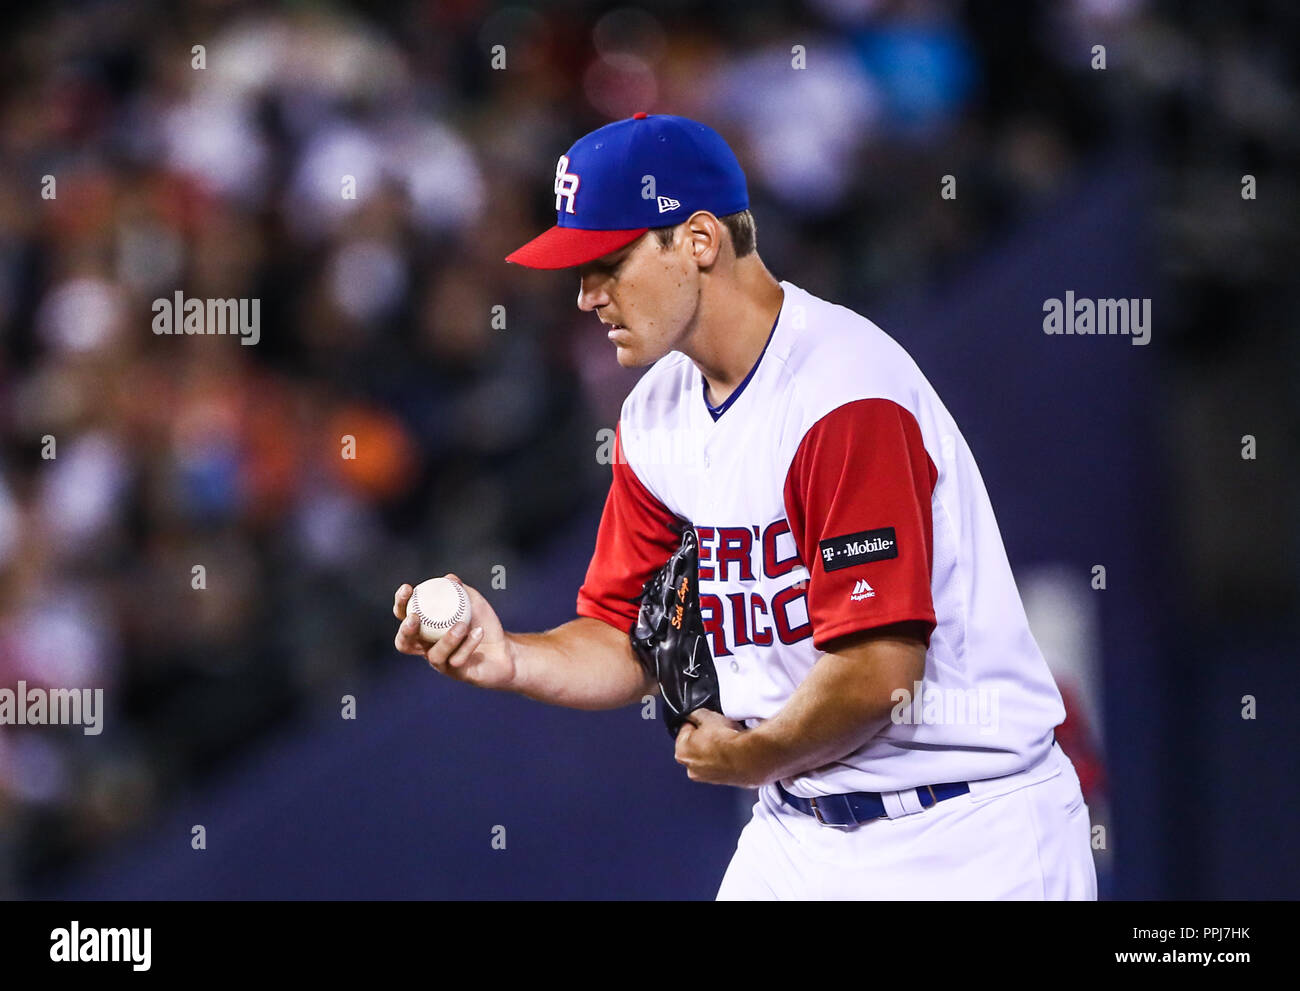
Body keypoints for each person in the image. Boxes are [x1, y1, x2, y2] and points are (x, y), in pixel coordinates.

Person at [393, 112, 1098, 900]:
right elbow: (627, 636)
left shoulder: (843, 390)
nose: (587, 296)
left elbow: (879, 673)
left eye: (607, 262)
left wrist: (754, 756)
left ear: (697, 240)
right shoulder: (656, 410)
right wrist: (514, 655)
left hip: (965, 830)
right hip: (797, 833)